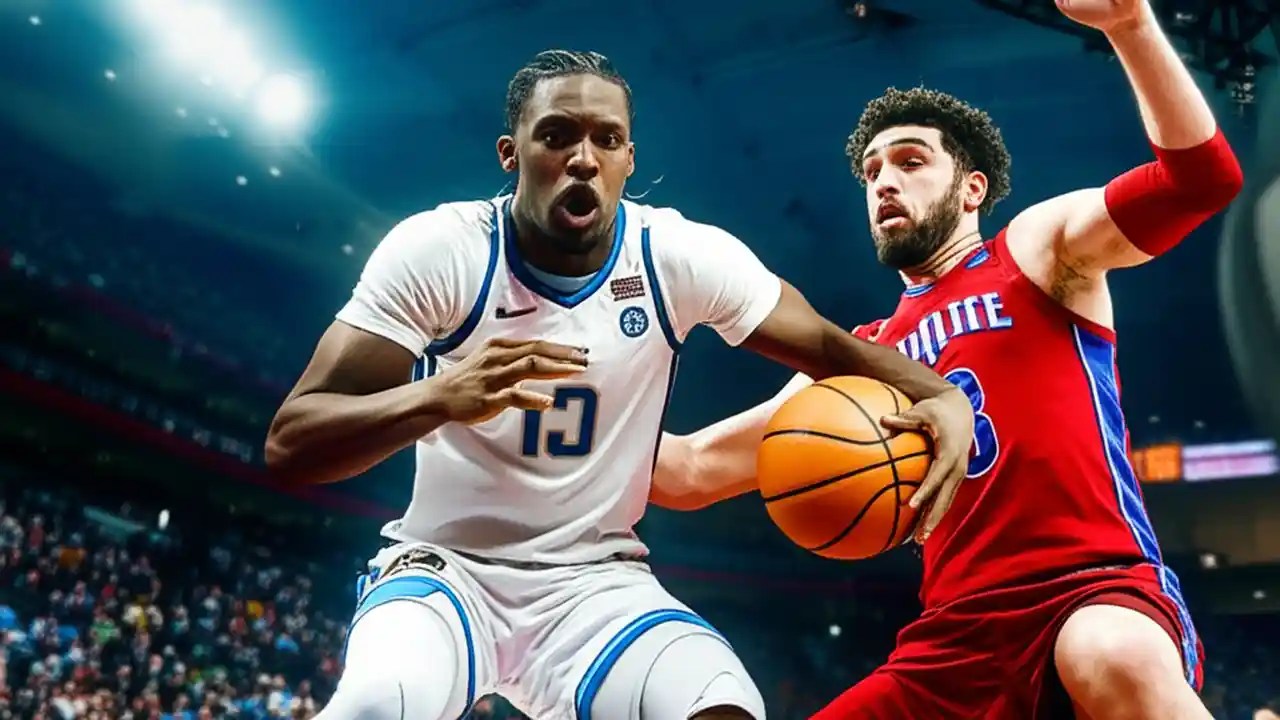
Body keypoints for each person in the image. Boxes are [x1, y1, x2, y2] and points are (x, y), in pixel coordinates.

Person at [264, 49, 974, 720]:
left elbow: (822, 343)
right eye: (557, 136)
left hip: (594, 583)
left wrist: (941, 395)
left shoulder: (674, 255)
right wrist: (438, 396)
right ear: (511, 155)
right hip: (449, 571)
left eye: (607, 139)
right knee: (372, 709)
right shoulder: (443, 250)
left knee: (725, 705)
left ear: (629, 159)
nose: (582, 158)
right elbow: (292, 443)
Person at [652, 1, 1244, 718]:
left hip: (1093, 587)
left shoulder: (1035, 252)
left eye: (909, 162)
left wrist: (1130, 26)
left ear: (972, 190)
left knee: (1109, 654)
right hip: (954, 639)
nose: (883, 183)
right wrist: (529, 426)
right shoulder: (857, 362)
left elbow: (1202, 182)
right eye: (871, 173)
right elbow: (690, 471)